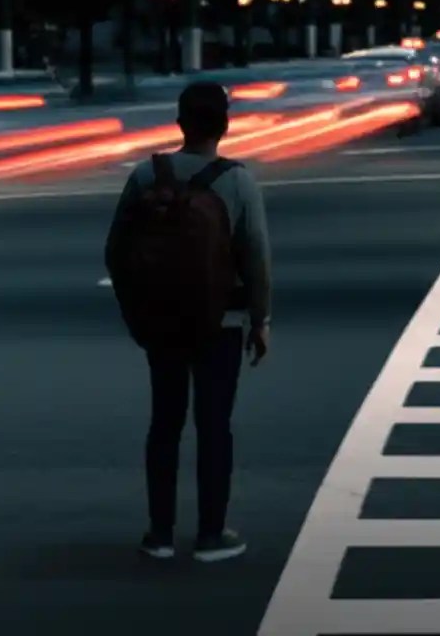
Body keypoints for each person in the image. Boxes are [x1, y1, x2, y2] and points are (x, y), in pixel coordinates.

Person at [104, 82, 271, 563]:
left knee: (165, 423)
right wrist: (260, 320)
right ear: (225, 124)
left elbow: (115, 252)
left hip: (162, 322)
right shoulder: (238, 181)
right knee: (214, 424)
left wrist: (140, 307)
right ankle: (211, 534)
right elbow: (256, 257)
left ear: (179, 122)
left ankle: (159, 534)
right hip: (220, 321)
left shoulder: (144, 176)